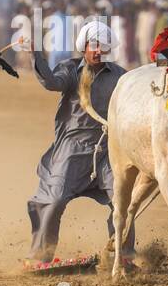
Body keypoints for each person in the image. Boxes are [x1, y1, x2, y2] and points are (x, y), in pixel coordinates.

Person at [24, 21, 133, 269]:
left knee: (122, 200)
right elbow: (51, 82)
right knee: (55, 199)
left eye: (102, 47)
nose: (97, 51)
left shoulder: (120, 76)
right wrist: (36, 53)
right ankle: (40, 255)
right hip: (71, 148)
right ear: (83, 46)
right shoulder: (71, 70)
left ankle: (123, 254)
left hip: (107, 150)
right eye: (93, 45)